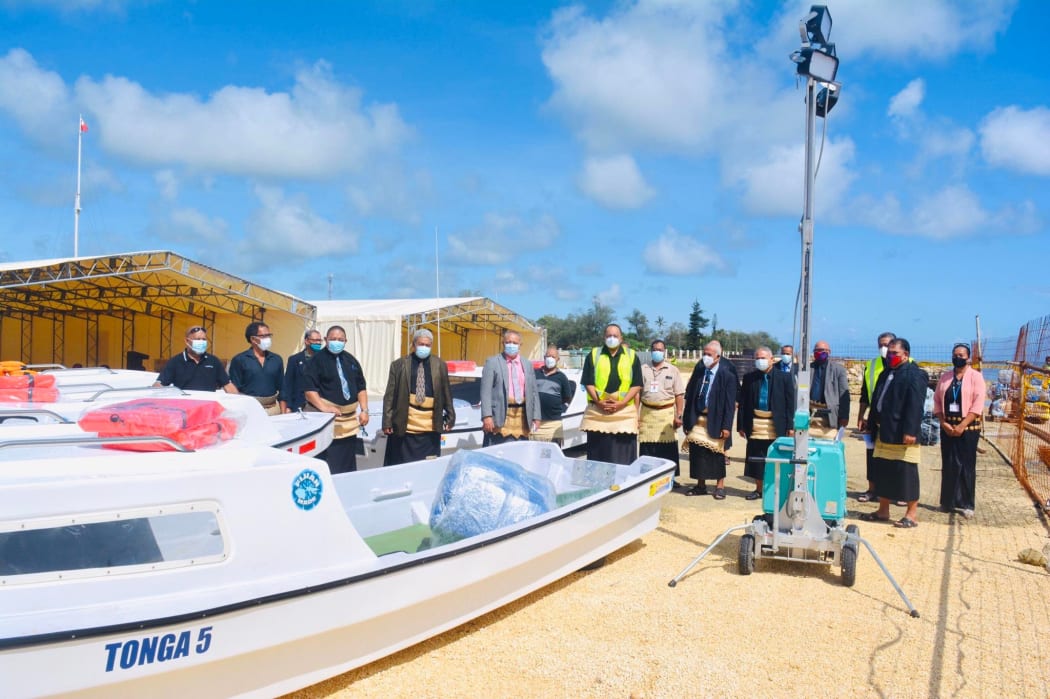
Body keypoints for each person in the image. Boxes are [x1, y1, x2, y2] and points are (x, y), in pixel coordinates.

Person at [862, 338, 927, 528]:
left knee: (906, 473)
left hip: (903, 433)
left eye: (894, 353)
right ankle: (883, 510)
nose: (890, 356)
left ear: (905, 354)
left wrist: (910, 430)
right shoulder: (886, 373)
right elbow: (877, 400)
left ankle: (911, 514)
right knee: (883, 470)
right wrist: (871, 422)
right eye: (888, 352)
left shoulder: (915, 374)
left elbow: (916, 406)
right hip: (884, 431)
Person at [381, 329, 456, 465]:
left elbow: (446, 392)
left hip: (429, 426)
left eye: (427, 345)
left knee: (427, 465)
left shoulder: (439, 365)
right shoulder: (399, 365)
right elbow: (389, 395)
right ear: (414, 344)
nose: (424, 347)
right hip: (406, 423)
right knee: (402, 464)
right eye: (421, 344)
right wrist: (387, 421)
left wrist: (451, 416)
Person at [303, 326, 369, 474]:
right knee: (330, 464)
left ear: (345, 341)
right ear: (326, 340)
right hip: (328, 420)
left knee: (348, 463)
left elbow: (361, 387)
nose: (336, 342)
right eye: (333, 339)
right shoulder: (316, 360)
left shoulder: (351, 360)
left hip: (349, 423)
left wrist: (364, 410)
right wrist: (324, 407)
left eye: (340, 340)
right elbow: (309, 390)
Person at [580, 324, 643, 465]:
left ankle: (624, 485)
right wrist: (598, 402)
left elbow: (637, 384)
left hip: (624, 412)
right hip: (598, 412)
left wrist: (622, 403)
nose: (612, 338)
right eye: (609, 335)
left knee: (623, 456)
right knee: (598, 455)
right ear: (604, 337)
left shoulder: (632, 356)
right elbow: (588, 382)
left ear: (621, 338)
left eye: (615, 336)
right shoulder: (594, 354)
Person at [682, 340, 738, 499]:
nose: (705, 357)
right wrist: (687, 420)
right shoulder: (699, 371)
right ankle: (700, 485)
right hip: (698, 418)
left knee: (717, 453)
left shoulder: (727, 375)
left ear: (718, 357)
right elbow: (690, 395)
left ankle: (720, 486)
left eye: (709, 355)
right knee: (698, 453)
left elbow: (729, 404)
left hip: (716, 419)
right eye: (704, 354)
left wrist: (727, 426)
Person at [933, 343, 984, 518]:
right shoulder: (946, 377)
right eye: (955, 354)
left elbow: (978, 404)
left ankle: (967, 503)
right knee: (948, 463)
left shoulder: (976, 377)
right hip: (948, 426)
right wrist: (942, 421)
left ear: (968, 357)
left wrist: (963, 425)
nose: (958, 358)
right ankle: (947, 502)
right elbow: (937, 401)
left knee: (966, 464)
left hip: (968, 427)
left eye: (961, 355)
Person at [737, 346, 794, 499]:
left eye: (763, 358)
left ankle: (778, 491)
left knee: (778, 456)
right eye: (757, 358)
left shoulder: (784, 378)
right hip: (755, 423)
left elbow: (790, 404)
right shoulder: (749, 378)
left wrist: (791, 426)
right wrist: (741, 425)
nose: (759, 361)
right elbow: (742, 403)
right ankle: (759, 489)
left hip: (777, 423)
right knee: (757, 457)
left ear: (771, 359)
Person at [480, 330, 541, 445]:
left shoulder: (527, 364)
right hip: (500, 416)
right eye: (508, 342)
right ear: (503, 343)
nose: (511, 345)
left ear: (520, 345)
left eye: (514, 342)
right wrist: (487, 416)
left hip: (522, 416)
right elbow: (485, 392)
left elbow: (533, 392)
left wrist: (536, 416)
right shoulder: (492, 362)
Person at [638, 339, 685, 485]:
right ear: (651, 351)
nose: (657, 352)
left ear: (664, 352)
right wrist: (636, 416)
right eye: (655, 349)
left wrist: (679, 415)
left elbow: (679, 394)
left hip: (666, 414)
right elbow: (637, 394)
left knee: (668, 448)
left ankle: (670, 477)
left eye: (660, 349)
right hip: (647, 413)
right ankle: (646, 477)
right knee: (647, 447)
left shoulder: (672, 370)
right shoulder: (643, 369)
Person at [856, 332, 896, 502]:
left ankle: (895, 492)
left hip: (894, 418)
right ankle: (872, 489)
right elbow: (865, 393)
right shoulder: (871, 365)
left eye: (887, 344)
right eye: (880, 345)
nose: (883, 348)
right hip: (874, 416)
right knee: (872, 454)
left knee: (893, 456)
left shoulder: (907, 364)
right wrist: (861, 415)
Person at [154, 325, 238, 393]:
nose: (201, 342)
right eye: (198, 339)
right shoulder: (175, 362)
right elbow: (160, 385)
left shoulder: (213, 361)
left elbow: (228, 385)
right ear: (187, 341)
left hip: (208, 408)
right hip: (185, 407)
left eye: (204, 339)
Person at [229, 321, 284, 416]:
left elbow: (283, 388)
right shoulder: (239, 360)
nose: (268, 339)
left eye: (269, 335)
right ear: (253, 339)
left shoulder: (276, 359)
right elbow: (234, 390)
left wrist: (283, 412)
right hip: (249, 410)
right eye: (264, 336)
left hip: (273, 409)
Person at [533, 345, 575, 446]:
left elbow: (567, 397)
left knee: (550, 455)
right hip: (535, 421)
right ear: (544, 358)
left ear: (558, 359)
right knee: (534, 453)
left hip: (553, 423)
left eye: (553, 357)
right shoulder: (534, 373)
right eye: (548, 356)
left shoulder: (562, 377)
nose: (550, 359)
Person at [808, 340, 849, 439]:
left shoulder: (838, 370)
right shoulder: (808, 368)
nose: (819, 353)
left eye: (822, 350)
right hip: (810, 411)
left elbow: (844, 394)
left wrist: (844, 416)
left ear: (829, 352)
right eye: (816, 350)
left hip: (829, 413)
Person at [281, 328, 324, 413]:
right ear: (307, 341)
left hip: (320, 405)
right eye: (315, 340)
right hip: (299, 405)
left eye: (319, 340)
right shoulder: (294, 359)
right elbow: (288, 385)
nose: (318, 343)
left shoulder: (325, 359)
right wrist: (288, 406)